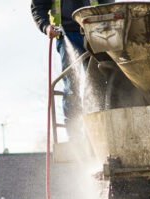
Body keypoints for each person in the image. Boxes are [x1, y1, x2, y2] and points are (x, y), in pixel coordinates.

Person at [30, 0, 112, 128]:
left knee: (98, 83)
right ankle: (75, 134)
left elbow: (107, 3)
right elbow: (39, 5)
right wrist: (46, 26)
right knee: (71, 87)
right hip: (66, 33)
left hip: (94, 31)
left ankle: (101, 128)